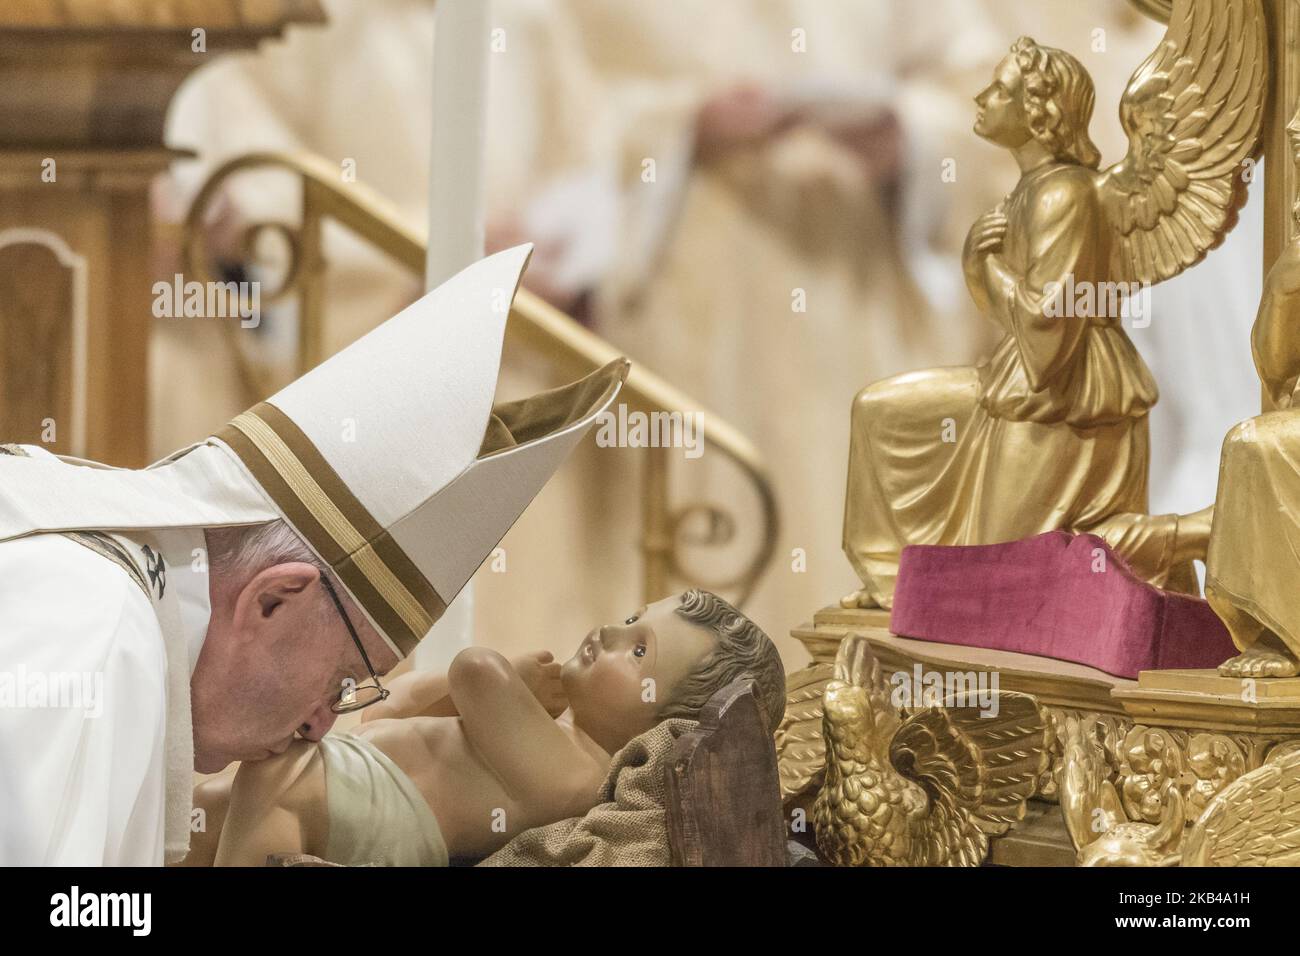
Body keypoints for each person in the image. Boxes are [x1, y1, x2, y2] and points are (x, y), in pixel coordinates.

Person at [0, 245, 628, 865]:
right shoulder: (103, 629)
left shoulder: (100, 584)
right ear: (273, 600)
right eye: (341, 683)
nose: (321, 727)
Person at [183, 589, 785, 866]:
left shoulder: (577, 771)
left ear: (666, 726)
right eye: (630, 618)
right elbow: (413, 698)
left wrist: (514, 677)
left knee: (274, 772)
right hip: (359, 778)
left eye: (638, 652)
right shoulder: (550, 727)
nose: (610, 634)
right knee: (206, 808)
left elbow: (474, 671)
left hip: (383, 823)